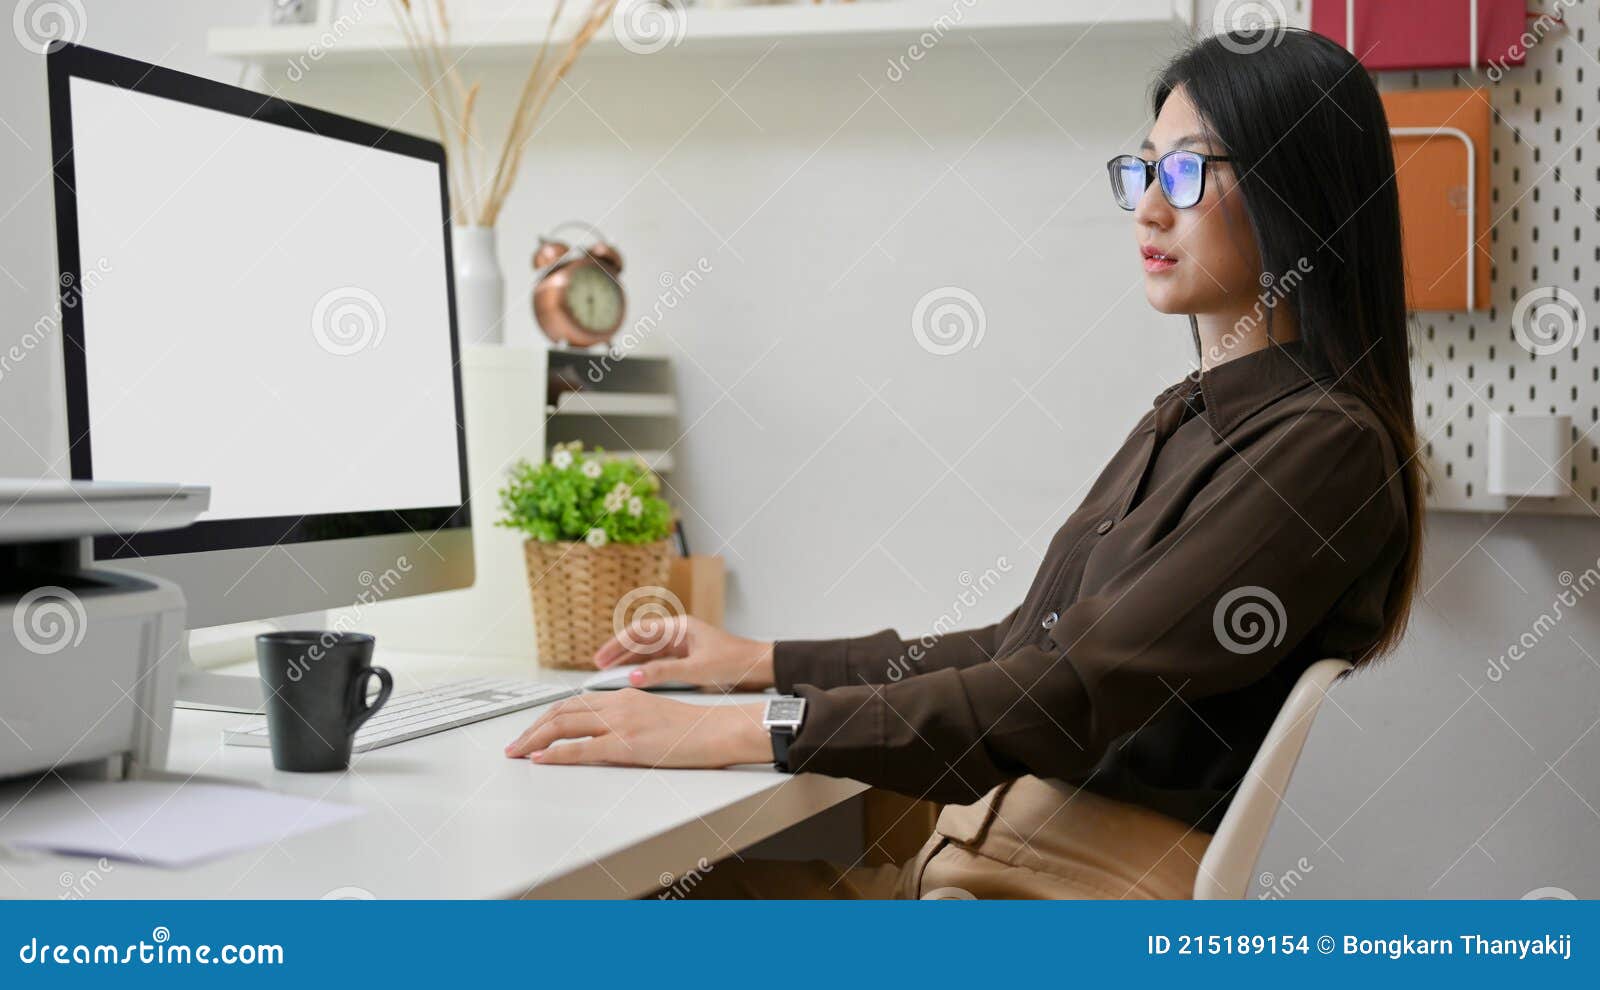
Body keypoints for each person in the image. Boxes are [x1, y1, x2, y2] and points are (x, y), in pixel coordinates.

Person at [504, 27, 1427, 899]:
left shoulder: (1324, 451)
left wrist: (747, 730)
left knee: (602, 908)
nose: (1149, 206)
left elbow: (1067, 694)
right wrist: (761, 663)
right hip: (987, 868)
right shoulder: (1190, 417)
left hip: (1047, 896)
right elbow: (1022, 647)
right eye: (1145, 168)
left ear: (1296, 189)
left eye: (1186, 171)